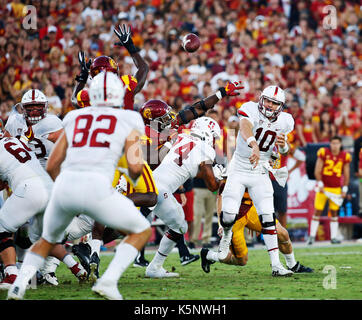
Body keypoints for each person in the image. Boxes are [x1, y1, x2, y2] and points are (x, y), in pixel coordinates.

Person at [7, 71, 152, 300]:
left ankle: (19, 286)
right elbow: (135, 169)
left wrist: (61, 190)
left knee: (45, 240)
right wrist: (125, 170)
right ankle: (108, 282)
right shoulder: (130, 119)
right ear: (118, 94)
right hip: (97, 188)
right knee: (142, 231)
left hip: (65, 185)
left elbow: (53, 165)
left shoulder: (75, 117)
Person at [0, 120, 87, 289]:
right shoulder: (15, 141)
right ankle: (77, 269)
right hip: (48, 188)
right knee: (39, 238)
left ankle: (11, 276)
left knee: (2, 228)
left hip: (29, 190)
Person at [218, 85, 294, 277]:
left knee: (268, 218)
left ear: (281, 106)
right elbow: (245, 126)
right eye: (267, 100)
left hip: (260, 170)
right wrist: (253, 144)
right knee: (227, 216)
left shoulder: (286, 121)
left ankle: (276, 265)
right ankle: (225, 237)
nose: (269, 105)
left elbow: (283, 150)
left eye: (274, 103)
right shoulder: (250, 108)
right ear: (261, 99)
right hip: (240, 167)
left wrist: (284, 147)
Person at [145, 117, 225, 278]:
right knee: (179, 225)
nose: (214, 142)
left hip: (147, 182)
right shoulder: (205, 149)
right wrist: (223, 178)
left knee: (126, 225)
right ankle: (154, 267)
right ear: (208, 133)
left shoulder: (180, 136)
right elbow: (213, 186)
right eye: (214, 137)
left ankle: (154, 267)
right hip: (161, 190)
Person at [200, 179, 313, 274]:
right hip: (235, 219)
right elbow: (220, 197)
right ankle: (209, 255)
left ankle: (292, 265)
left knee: (282, 233)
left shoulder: (259, 164)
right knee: (241, 260)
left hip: (251, 209)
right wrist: (222, 224)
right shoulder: (235, 166)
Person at [71, 24, 149, 110]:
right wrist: (130, 46)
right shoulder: (125, 83)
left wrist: (83, 76)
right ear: (115, 70)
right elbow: (144, 68)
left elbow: (75, 100)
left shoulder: (90, 93)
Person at [307, 136, 351, 245]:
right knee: (317, 211)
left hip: (336, 188)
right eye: (333, 143)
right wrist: (320, 183)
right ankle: (312, 237)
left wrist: (344, 188)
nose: (335, 146)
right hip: (324, 188)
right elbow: (317, 170)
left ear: (340, 145)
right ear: (330, 144)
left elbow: (346, 174)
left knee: (334, 213)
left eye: (337, 143)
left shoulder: (344, 156)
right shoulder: (324, 152)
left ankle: (334, 237)